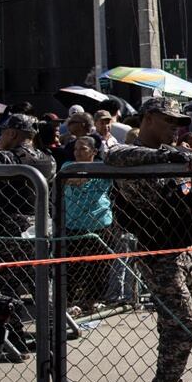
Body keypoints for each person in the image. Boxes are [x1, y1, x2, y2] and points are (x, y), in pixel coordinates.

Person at [104, 97, 192, 382]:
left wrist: (179, 154)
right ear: (149, 118)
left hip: (184, 249)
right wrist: (168, 155)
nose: (175, 128)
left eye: (179, 123)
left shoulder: (174, 153)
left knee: (173, 327)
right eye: (169, 121)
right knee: (183, 324)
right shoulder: (132, 152)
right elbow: (112, 154)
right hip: (157, 253)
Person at [0, 114, 57, 312]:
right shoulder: (47, 158)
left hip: (12, 226)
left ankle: (11, 327)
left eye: (3, 132)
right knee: (40, 278)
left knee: (7, 283)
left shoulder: (6, 157)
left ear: (12, 134)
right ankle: (51, 324)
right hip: (41, 224)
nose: (0, 137)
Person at [61, 134, 114, 313]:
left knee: (100, 267)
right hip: (73, 224)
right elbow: (74, 180)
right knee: (72, 267)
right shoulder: (68, 166)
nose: (77, 152)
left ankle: (92, 300)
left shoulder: (103, 167)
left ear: (94, 151)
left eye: (83, 149)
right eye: (75, 149)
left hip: (100, 223)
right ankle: (68, 303)